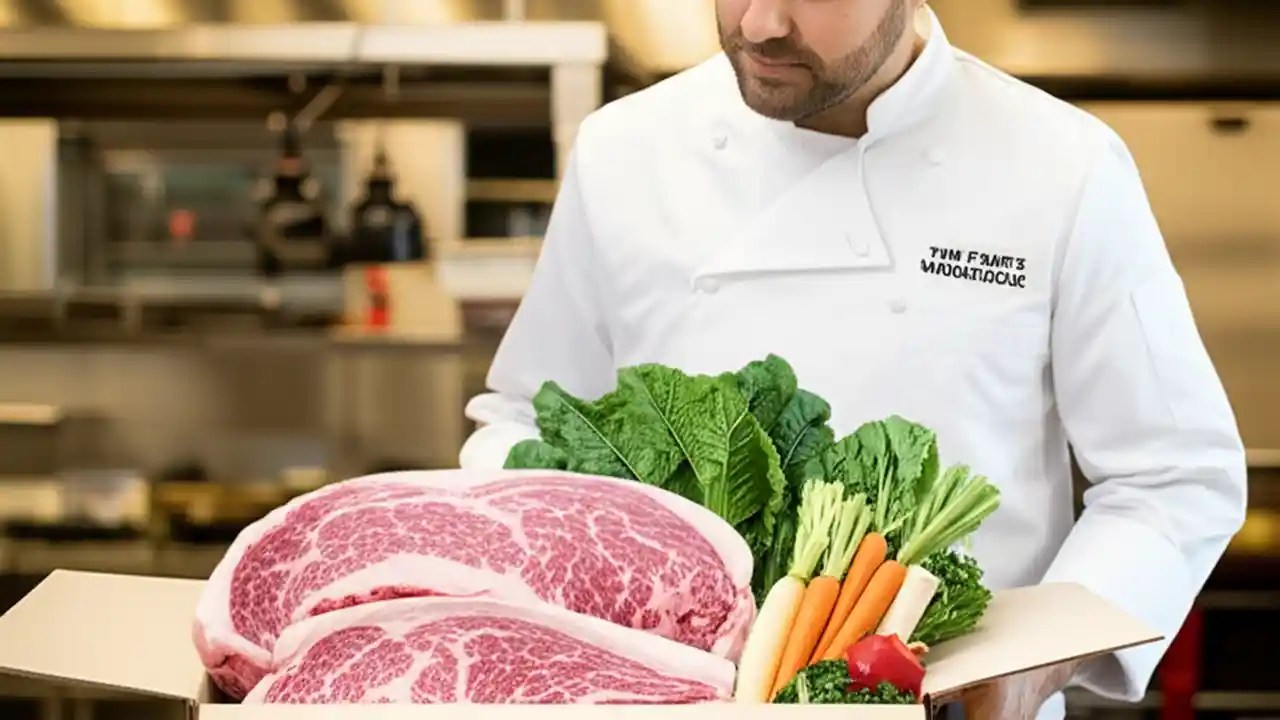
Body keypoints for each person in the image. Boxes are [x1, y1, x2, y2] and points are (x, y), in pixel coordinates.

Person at [458, 1, 1248, 717]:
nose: (761, 23)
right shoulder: (625, 152)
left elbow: (1173, 475)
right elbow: (526, 421)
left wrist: (1032, 663)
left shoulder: (1061, 164)